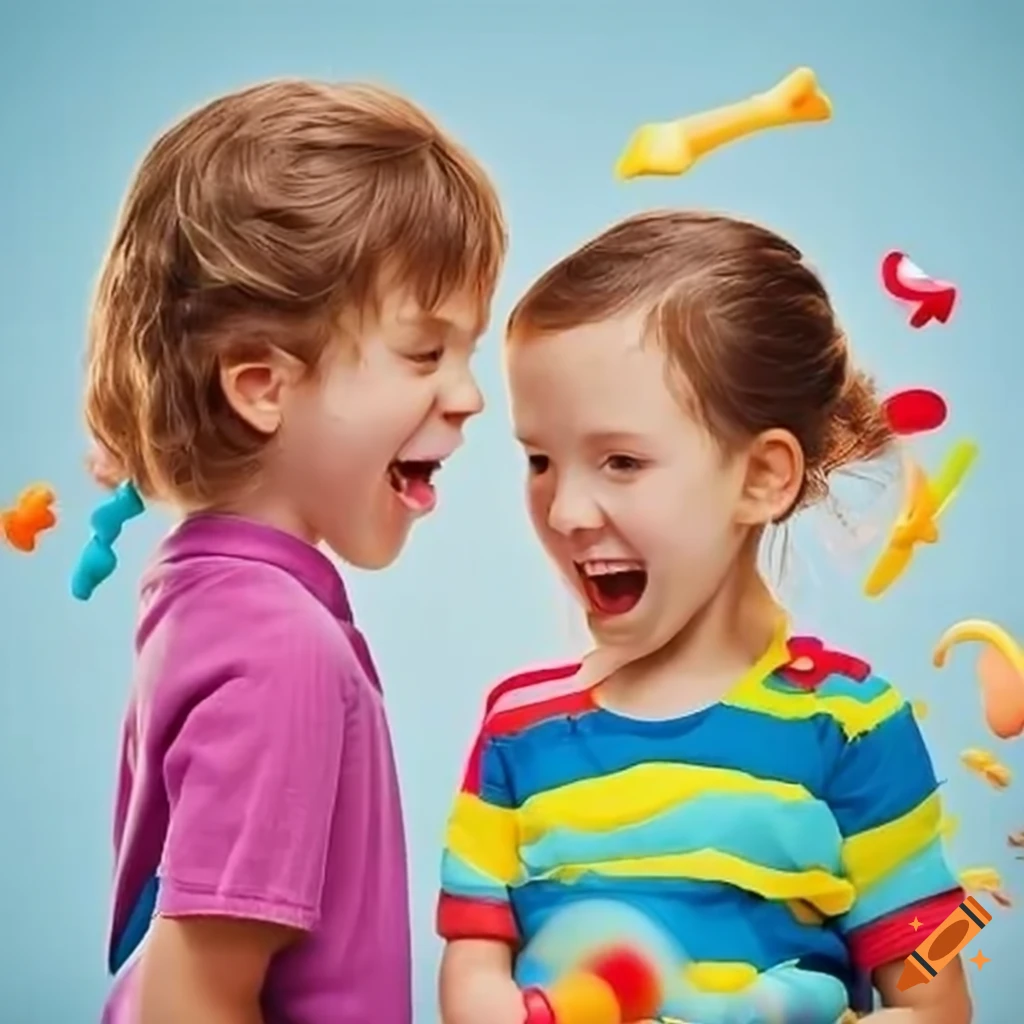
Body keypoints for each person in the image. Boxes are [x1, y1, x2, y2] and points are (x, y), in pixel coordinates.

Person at [436, 211, 972, 1024]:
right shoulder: (518, 729)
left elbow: (935, 1000)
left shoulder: (853, 725)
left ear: (761, 478)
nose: (568, 509)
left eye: (622, 460)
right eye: (540, 459)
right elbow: (473, 973)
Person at [87, 78, 506, 1024]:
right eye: (423, 351)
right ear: (262, 387)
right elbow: (194, 1003)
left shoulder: (206, 598)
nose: (469, 395)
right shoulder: (281, 652)